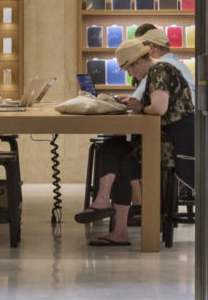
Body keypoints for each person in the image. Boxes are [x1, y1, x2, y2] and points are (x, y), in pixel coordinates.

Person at [77, 37, 195, 247]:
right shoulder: (157, 73)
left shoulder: (160, 71)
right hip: (165, 140)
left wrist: (140, 108)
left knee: (119, 154)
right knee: (113, 148)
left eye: (129, 70)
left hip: (172, 146)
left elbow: (159, 109)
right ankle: (109, 213)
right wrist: (138, 105)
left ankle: (111, 214)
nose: (130, 75)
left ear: (137, 62)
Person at [132, 23, 196, 97]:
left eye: (140, 47)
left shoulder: (159, 68)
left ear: (151, 48)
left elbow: (137, 99)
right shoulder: (181, 65)